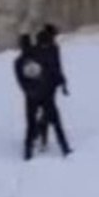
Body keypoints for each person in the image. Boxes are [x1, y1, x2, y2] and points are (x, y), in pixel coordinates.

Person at [35, 23, 70, 153]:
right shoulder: (53, 48)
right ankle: (63, 147)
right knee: (51, 114)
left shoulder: (37, 47)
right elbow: (56, 66)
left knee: (45, 112)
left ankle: (40, 137)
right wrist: (62, 82)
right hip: (49, 85)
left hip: (39, 85)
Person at [14, 34, 49, 161]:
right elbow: (46, 72)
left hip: (30, 94)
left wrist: (27, 91)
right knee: (45, 116)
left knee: (30, 121)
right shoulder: (39, 56)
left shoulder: (18, 62)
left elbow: (20, 80)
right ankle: (43, 141)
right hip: (43, 92)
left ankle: (28, 149)